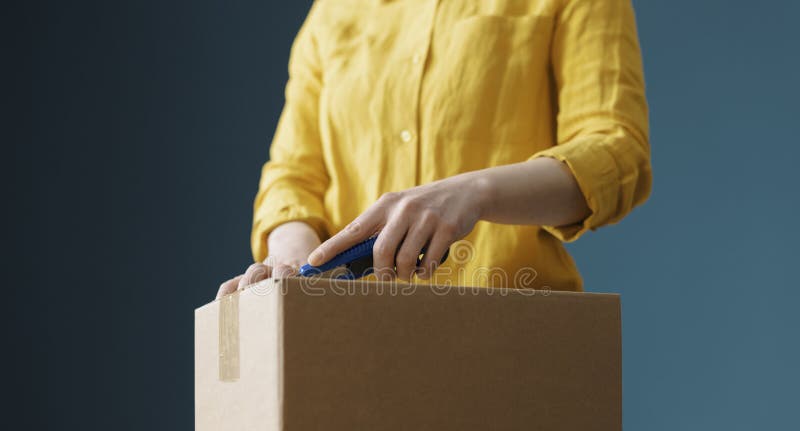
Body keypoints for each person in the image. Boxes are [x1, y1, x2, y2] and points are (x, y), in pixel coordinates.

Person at [217, 0, 651, 298]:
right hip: (348, 347)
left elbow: (615, 151)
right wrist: (293, 259)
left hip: (515, 344)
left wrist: (475, 192)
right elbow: (293, 175)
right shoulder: (333, 13)